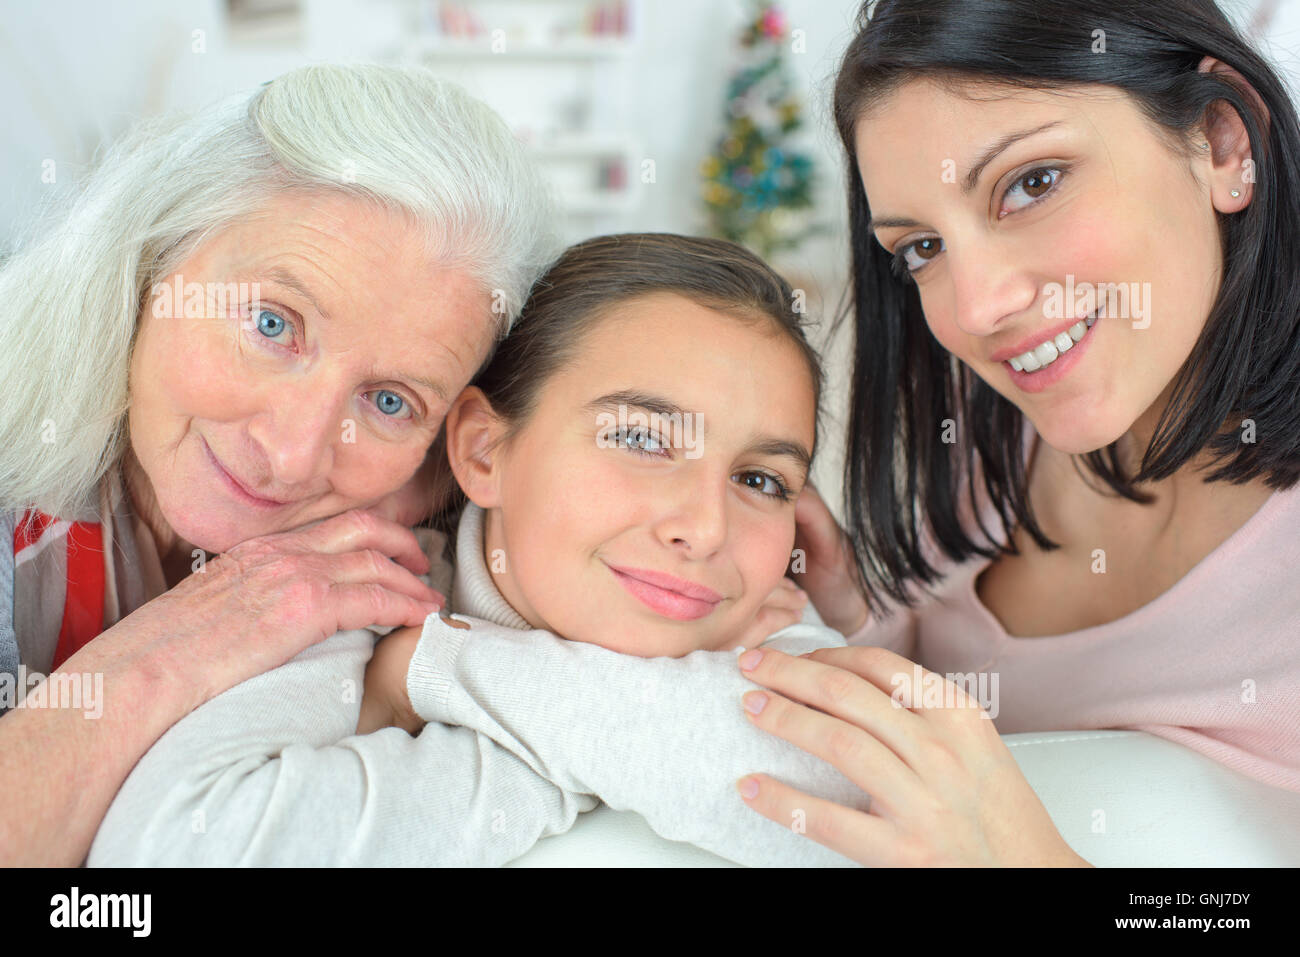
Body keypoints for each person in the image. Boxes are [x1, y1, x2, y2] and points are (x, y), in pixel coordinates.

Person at [325, 0, 1299, 867]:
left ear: (1219, 142)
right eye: (919, 249)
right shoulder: (994, 454)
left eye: (1032, 183)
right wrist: (851, 622)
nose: (976, 307)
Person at [88, 234, 861, 867]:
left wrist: (443, 675)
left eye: (760, 479)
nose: (708, 528)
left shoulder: (763, 619)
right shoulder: (359, 594)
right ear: (485, 451)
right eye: (639, 438)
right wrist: (602, 755)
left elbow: (862, 798)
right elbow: (170, 849)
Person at [0, 62, 557, 866]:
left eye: (390, 402)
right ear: (154, 259)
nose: (294, 453)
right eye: (271, 322)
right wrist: (178, 648)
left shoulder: (420, 547)